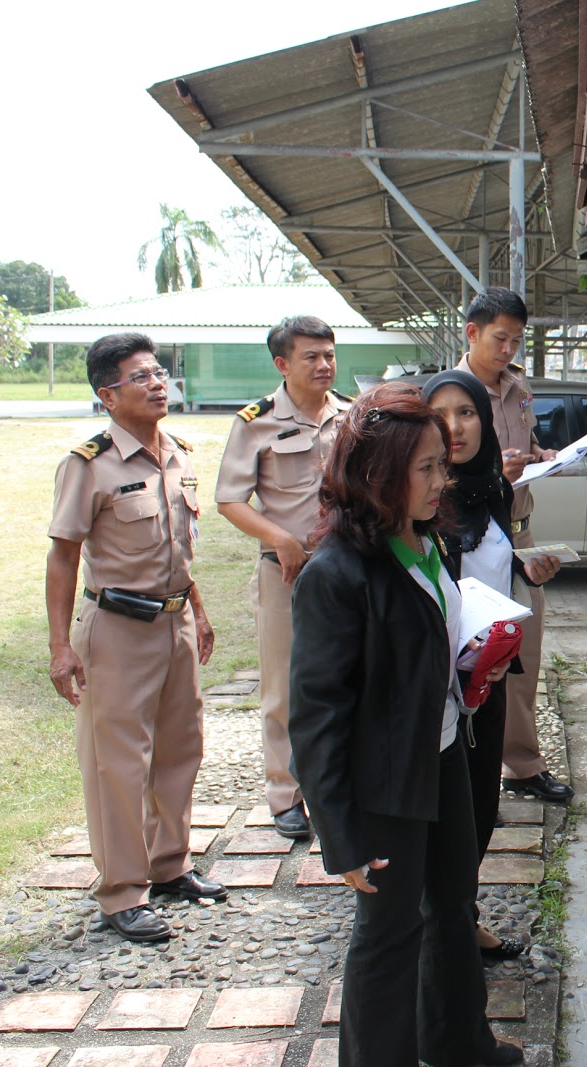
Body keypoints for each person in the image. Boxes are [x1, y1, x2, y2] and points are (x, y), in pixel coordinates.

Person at [289, 384, 522, 1067]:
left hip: (441, 752)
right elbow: (317, 714)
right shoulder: (336, 574)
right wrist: (340, 834)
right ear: (375, 473)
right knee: (387, 933)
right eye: (424, 467)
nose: (439, 480)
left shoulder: (425, 541)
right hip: (383, 781)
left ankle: (457, 1044)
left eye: (439, 466)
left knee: (451, 904)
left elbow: (423, 648)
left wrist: (475, 658)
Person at [45, 332, 226, 943]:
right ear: (107, 394)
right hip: (117, 629)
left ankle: (169, 864)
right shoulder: (88, 463)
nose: (157, 383)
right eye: (140, 376)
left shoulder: (176, 451)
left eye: (159, 372)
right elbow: (63, 555)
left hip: (173, 623)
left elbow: (181, 549)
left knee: (181, 747)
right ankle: (121, 891)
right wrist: (59, 646)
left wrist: (197, 611)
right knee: (119, 765)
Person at [422, 370, 561, 961]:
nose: (455, 428)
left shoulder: (494, 491)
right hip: (435, 686)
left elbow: (491, 563)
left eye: (467, 413)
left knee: (480, 808)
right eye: (442, 414)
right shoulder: (419, 497)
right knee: (438, 817)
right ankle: (434, 931)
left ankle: (463, 916)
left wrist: (527, 569)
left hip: (490, 674)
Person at [215, 315, 350, 840]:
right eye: (311, 356)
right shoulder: (258, 422)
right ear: (282, 364)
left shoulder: (351, 415)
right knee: (286, 688)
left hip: (345, 571)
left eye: (329, 354)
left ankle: (334, 784)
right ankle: (285, 796)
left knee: (345, 680)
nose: (324, 365)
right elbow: (229, 499)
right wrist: (279, 538)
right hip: (287, 575)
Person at [455, 287, 573, 804]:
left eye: (516, 340)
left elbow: (522, 449)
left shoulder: (518, 389)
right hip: (468, 540)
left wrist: (541, 457)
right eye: (500, 339)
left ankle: (521, 767)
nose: (508, 350)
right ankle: (464, 772)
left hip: (518, 536)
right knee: (468, 659)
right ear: (472, 333)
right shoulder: (446, 395)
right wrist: (492, 477)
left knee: (522, 656)